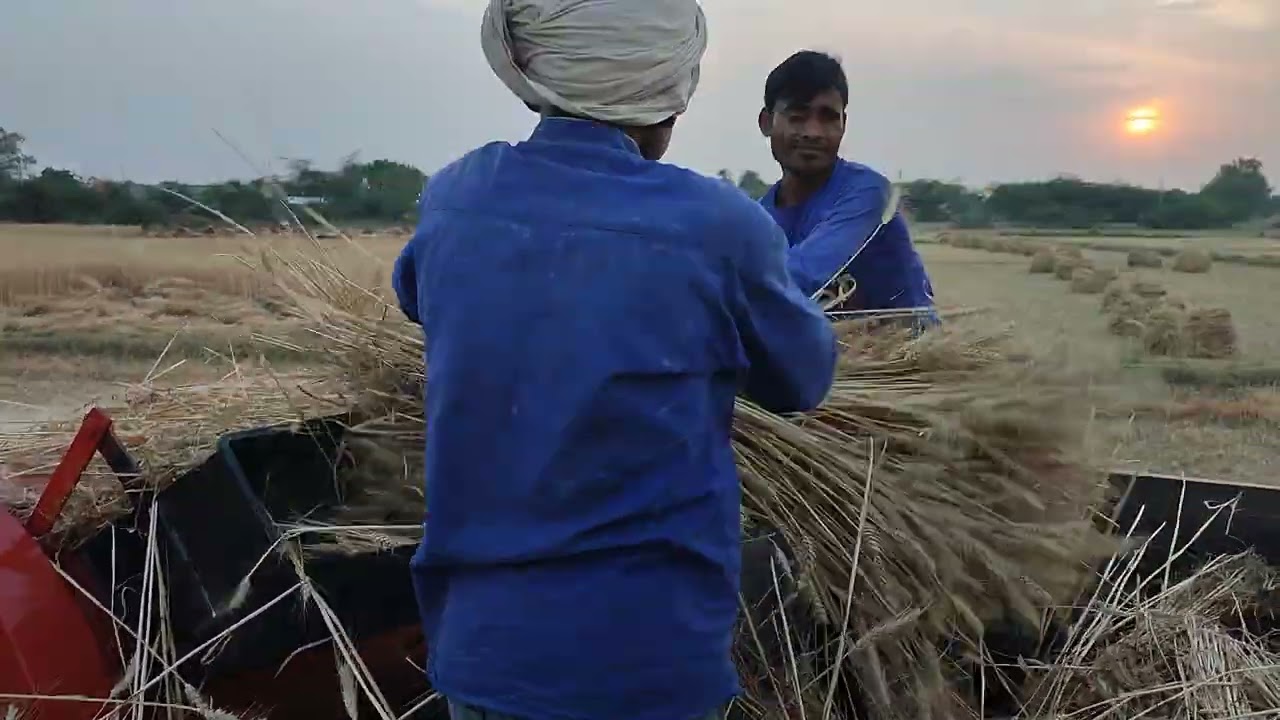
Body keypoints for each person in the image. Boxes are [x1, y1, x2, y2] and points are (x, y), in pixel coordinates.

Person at [390, 2, 839, 719]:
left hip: (481, 651)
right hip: (645, 662)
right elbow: (804, 377)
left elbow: (416, 295)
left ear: (532, 76)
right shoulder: (720, 226)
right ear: (670, 92)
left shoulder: (455, 198)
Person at [757, 50, 939, 329]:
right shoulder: (760, 214)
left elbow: (802, 276)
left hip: (900, 360)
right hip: (825, 358)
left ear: (843, 124)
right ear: (766, 123)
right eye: (797, 116)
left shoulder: (868, 193)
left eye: (828, 118)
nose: (813, 132)